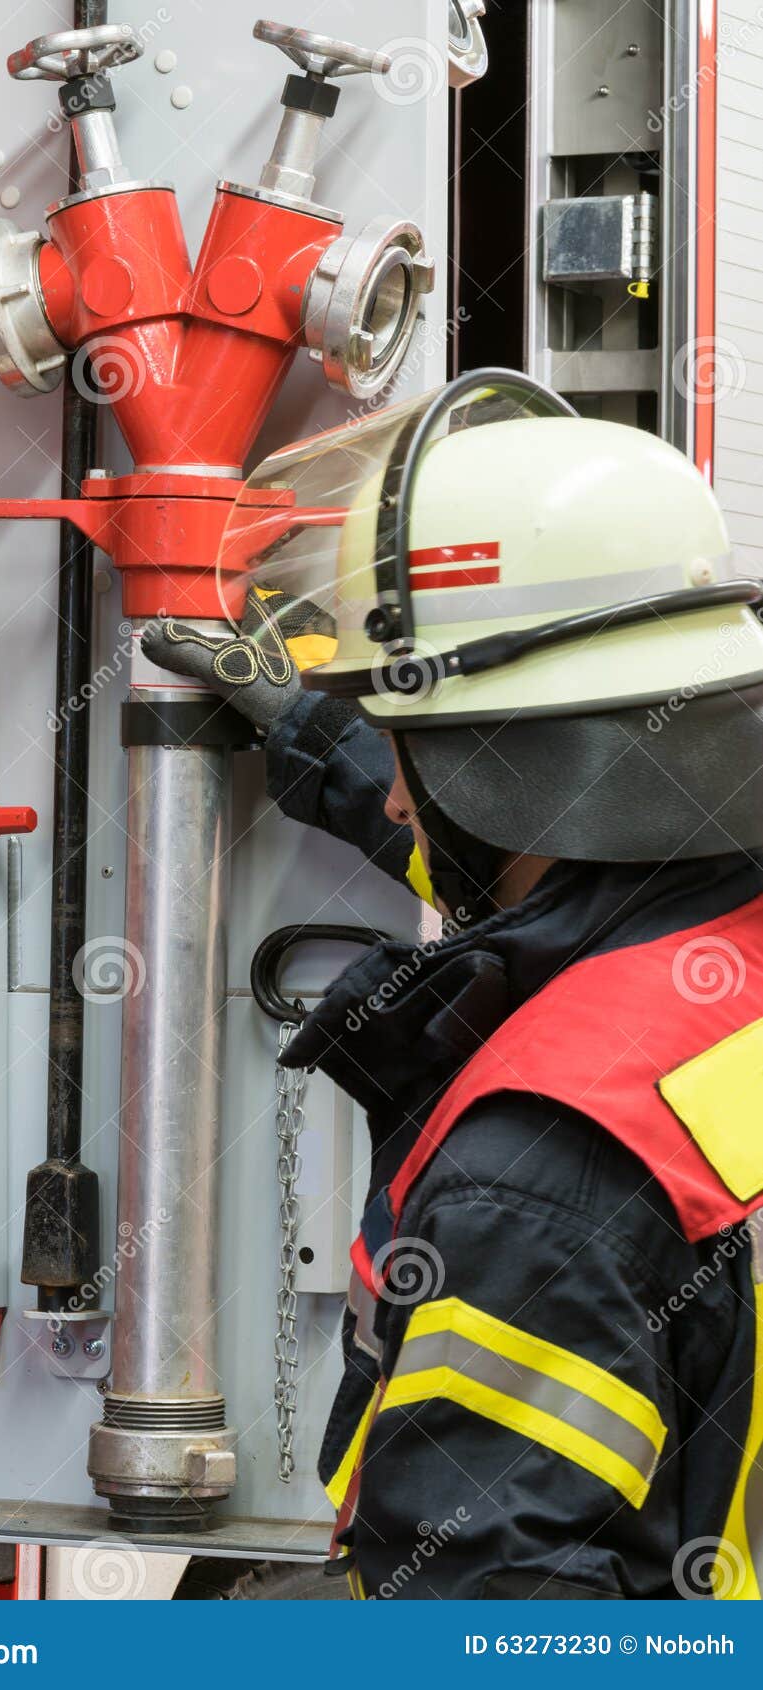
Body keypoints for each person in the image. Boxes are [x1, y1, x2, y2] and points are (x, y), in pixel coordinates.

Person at [142, 371, 763, 1601]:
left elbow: (481, 1611)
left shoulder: (529, 1174)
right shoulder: (710, 920)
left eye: (407, 758)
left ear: (507, 771)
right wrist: (314, 729)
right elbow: (545, 847)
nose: (392, 798)